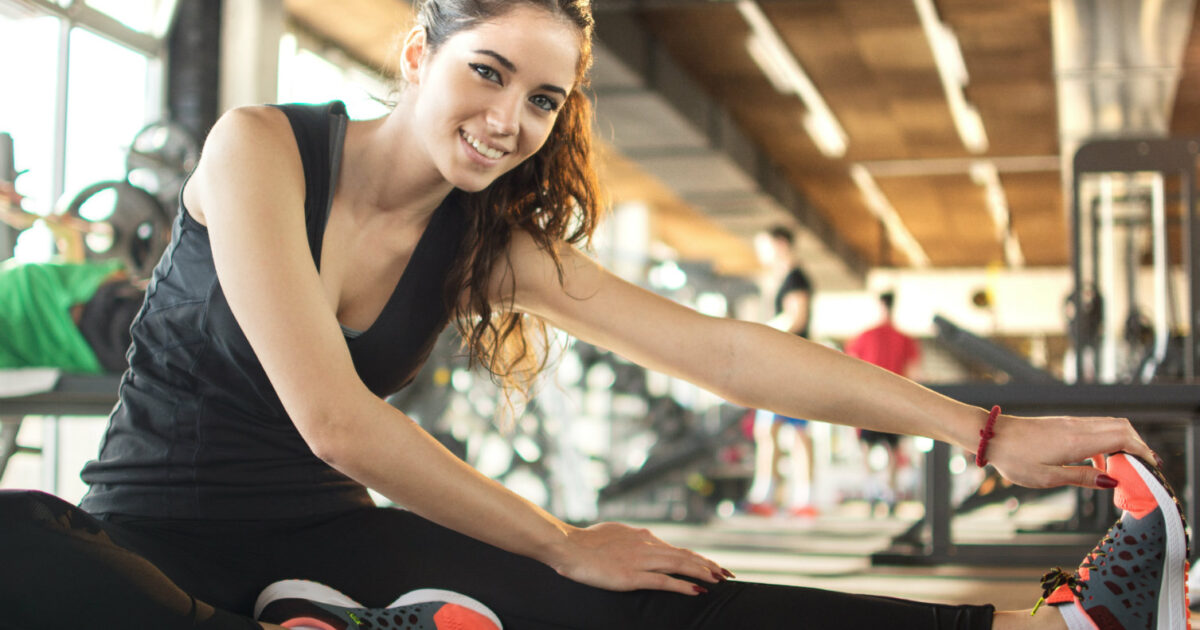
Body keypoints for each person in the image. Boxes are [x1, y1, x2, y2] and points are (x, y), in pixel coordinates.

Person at [0, 1, 1186, 629]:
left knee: (651, 598)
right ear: (419, 53)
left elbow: (725, 350)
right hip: (148, 536)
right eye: (486, 72)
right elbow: (336, 421)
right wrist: (558, 535)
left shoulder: (486, 245)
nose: (511, 118)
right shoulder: (259, 147)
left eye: (543, 97)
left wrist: (983, 431)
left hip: (326, 547)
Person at [744, 225, 820, 518]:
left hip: (792, 364)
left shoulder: (796, 278)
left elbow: (796, 318)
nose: (760, 252)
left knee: (789, 432)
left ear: (780, 244)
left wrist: (761, 334)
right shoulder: (784, 278)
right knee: (774, 430)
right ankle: (773, 495)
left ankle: (795, 498)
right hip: (788, 361)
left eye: (763, 245)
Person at [844, 290, 920, 515]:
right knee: (892, 449)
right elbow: (915, 374)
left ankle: (871, 491)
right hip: (895, 400)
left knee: (868, 448)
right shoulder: (904, 339)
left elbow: (852, 369)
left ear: (880, 305)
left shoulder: (864, 336)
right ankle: (889, 492)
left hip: (870, 399)